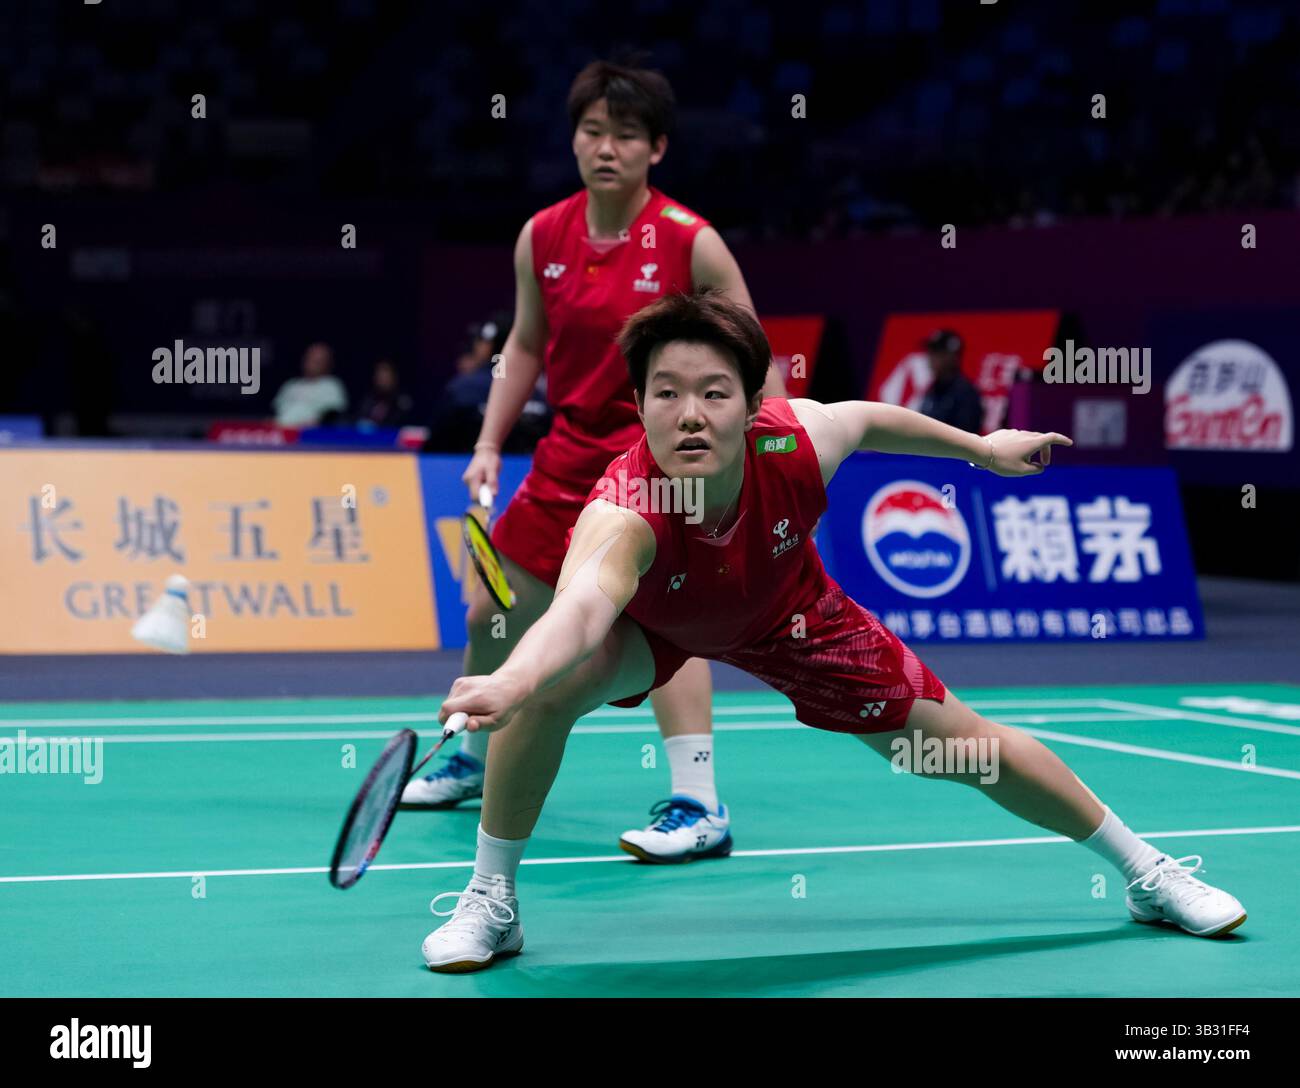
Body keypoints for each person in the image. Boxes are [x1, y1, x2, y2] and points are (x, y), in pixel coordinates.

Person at [420, 286, 1247, 972]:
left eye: (714, 392)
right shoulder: (624, 511)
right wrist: (512, 680)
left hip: (789, 611)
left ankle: (1146, 872)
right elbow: (580, 610)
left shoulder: (800, 439)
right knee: (547, 695)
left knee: (959, 747)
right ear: (636, 405)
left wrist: (982, 451)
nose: (690, 414)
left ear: (752, 404)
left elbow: (874, 420)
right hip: (653, 624)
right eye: (665, 393)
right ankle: (492, 900)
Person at [401, 58, 787, 864]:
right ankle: (469, 757)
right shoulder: (543, 235)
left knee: (664, 626)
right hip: (567, 456)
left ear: (657, 148)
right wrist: (487, 442)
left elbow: (755, 355)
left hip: (660, 465)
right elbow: (525, 345)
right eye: (592, 131)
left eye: (624, 134)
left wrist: (767, 453)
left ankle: (699, 800)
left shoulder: (691, 242)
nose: (605, 147)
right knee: (491, 611)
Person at [918, 328, 983, 434]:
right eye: (930, 352)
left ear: (953, 356)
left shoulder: (966, 394)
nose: (930, 357)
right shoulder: (932, 389)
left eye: (937, 352)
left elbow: (965, 437)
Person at [271, 342, 348, 427]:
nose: (312, 364)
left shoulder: (332, 386)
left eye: (318, 361)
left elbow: (331, 416)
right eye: (310, 359)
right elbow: (277, 412)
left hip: (313, 435)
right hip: (283, 433)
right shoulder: (291, 385)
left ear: (328, 363)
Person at [355, 359, 413, 429]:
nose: (382, 380)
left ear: (393, 378)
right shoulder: (369, 399)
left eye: (385, 376)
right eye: (379, 376)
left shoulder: (402, 402)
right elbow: (359, 419)